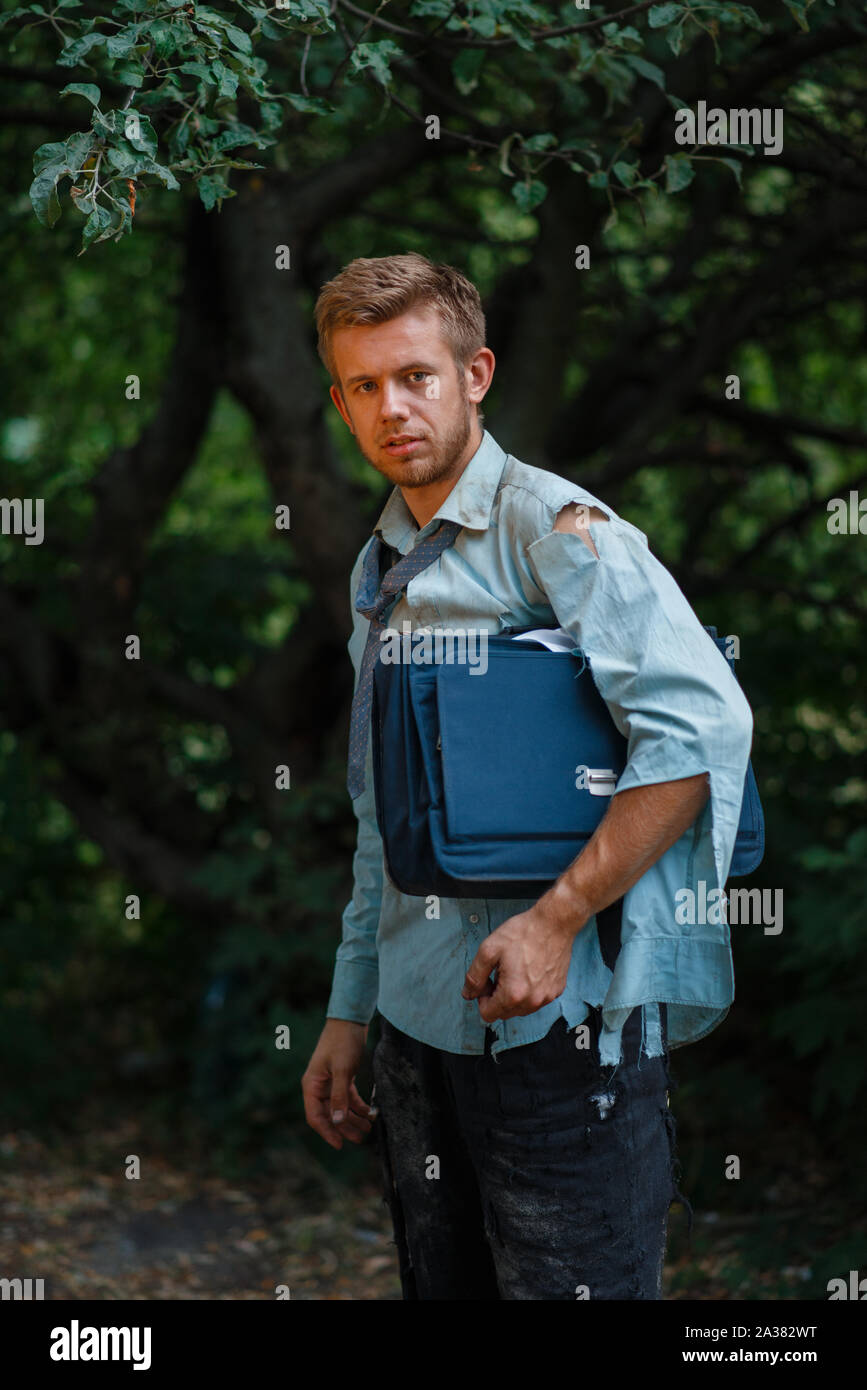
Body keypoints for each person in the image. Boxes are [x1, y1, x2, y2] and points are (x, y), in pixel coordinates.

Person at [301, 252, 754, 1300]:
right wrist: (348, 1008)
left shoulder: (557, 529)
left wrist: (556, 918)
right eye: (364, 386)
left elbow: (695, 732)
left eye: (416, 375)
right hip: (420, 1033)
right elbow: (385, 812)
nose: (392, 407)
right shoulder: (382, 565)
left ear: (476, 373)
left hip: (564, 1040)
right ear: (338, 401)